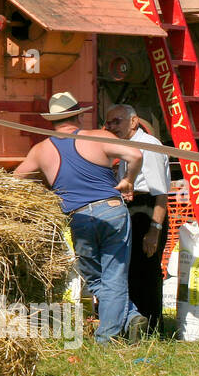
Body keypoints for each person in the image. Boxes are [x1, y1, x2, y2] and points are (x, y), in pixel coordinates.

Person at [14, 91, 148, 344]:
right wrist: (127, 180)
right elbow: (137, 155)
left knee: (95, 278)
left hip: (79, 217)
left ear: (51, 120)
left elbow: (14, 182)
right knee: (114, 275)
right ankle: (125, 322)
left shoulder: (40, 150)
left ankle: (111, 333)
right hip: (112, 211)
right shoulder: (99, 137)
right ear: (78, 116)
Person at [104, 103, 171, 333]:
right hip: (133, 209)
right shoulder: (127, 147)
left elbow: (160, 193)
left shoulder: (147, 147)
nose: (112, 127)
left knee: (147, 270)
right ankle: (134, 325)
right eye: (109, 122)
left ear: (134, 121)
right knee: (131, 271)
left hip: (147, 211)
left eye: (117, 122)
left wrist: (154, 229)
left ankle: (152, 328)